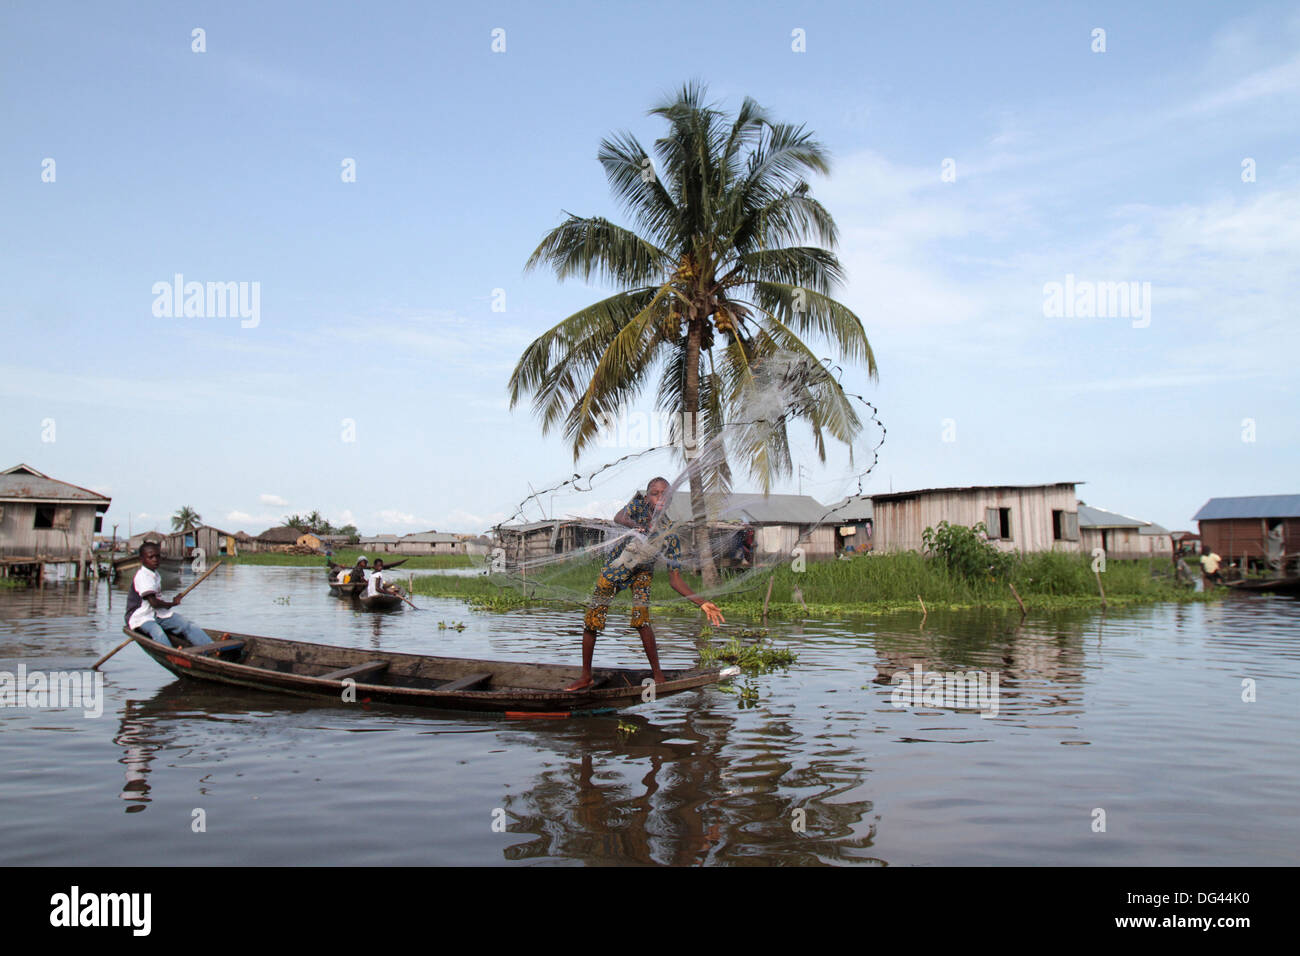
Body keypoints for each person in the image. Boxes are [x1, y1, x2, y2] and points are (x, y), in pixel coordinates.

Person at [564, 477, 725, 692]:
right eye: (654, 493)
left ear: (669, 499)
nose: (659, 498)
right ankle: (586, 676)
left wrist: (702, 602)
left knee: (642, 620)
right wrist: (635, 525)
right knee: (593, 619)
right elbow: (619, 517)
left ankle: (658, 676)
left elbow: (675, 580)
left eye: (664, 494)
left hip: (642, 574)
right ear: (647, 496)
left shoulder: (670, 534)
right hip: (616, 568)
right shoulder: (638, 507)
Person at [125, 542, 213, 646]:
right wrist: (173, 603)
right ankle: (172, 655)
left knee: (186, 625)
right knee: (158, 633)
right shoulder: (143, 576)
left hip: (156, 613)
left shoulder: (155, 574)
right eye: (151, 557)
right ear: (142, 559)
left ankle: (211, 647)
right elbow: (154, 603)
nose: (155, 559)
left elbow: (157, 602)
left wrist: (171, 603)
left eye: (157, 556)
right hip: (140, 616)